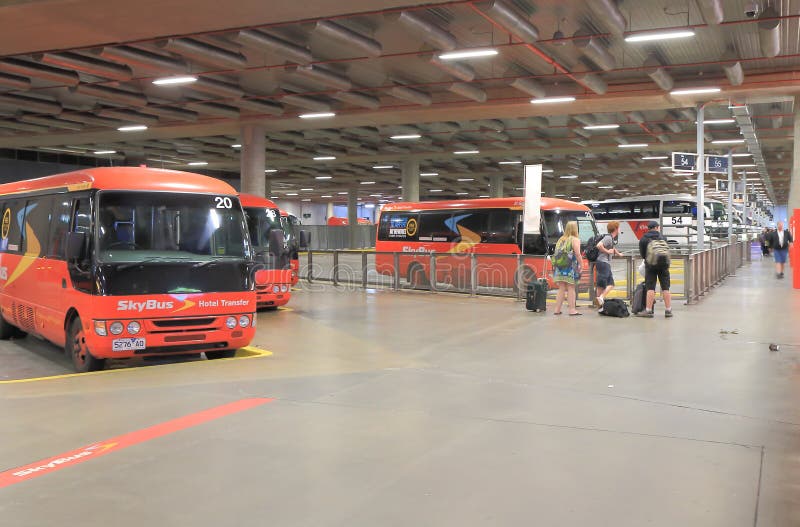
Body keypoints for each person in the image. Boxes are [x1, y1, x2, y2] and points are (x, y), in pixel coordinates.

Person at [636, 221, 672, 318]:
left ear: (649, 228)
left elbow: (643, 254)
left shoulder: (644, 238)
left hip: (651, 266)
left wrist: (649, 260)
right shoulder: (663, 237)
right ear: (656, 227)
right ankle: (668, 310)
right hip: (664, 265)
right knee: (665, 287)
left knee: (650, 287)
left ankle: (648, 310)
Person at [552, 221, 583, 316]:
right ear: (575, 229)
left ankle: (557, 309)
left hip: (559, 267)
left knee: (561, 288)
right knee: (571, 288)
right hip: (570, 267)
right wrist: (581, 264)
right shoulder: (575, 239)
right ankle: (572, 310)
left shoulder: (561, 239)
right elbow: (577, 254)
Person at [595, 220, 624, 310]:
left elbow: (612, 248)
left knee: (610, 284)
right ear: (615, 229)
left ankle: (600, 300)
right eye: (619, 227)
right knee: (602, 284)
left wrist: (618, 253)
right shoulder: (608, 238)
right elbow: (599, 245)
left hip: (604, 263)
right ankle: (600, 302)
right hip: (603, 262)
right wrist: (607, 251)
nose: (619, 229)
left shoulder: (611, 238)